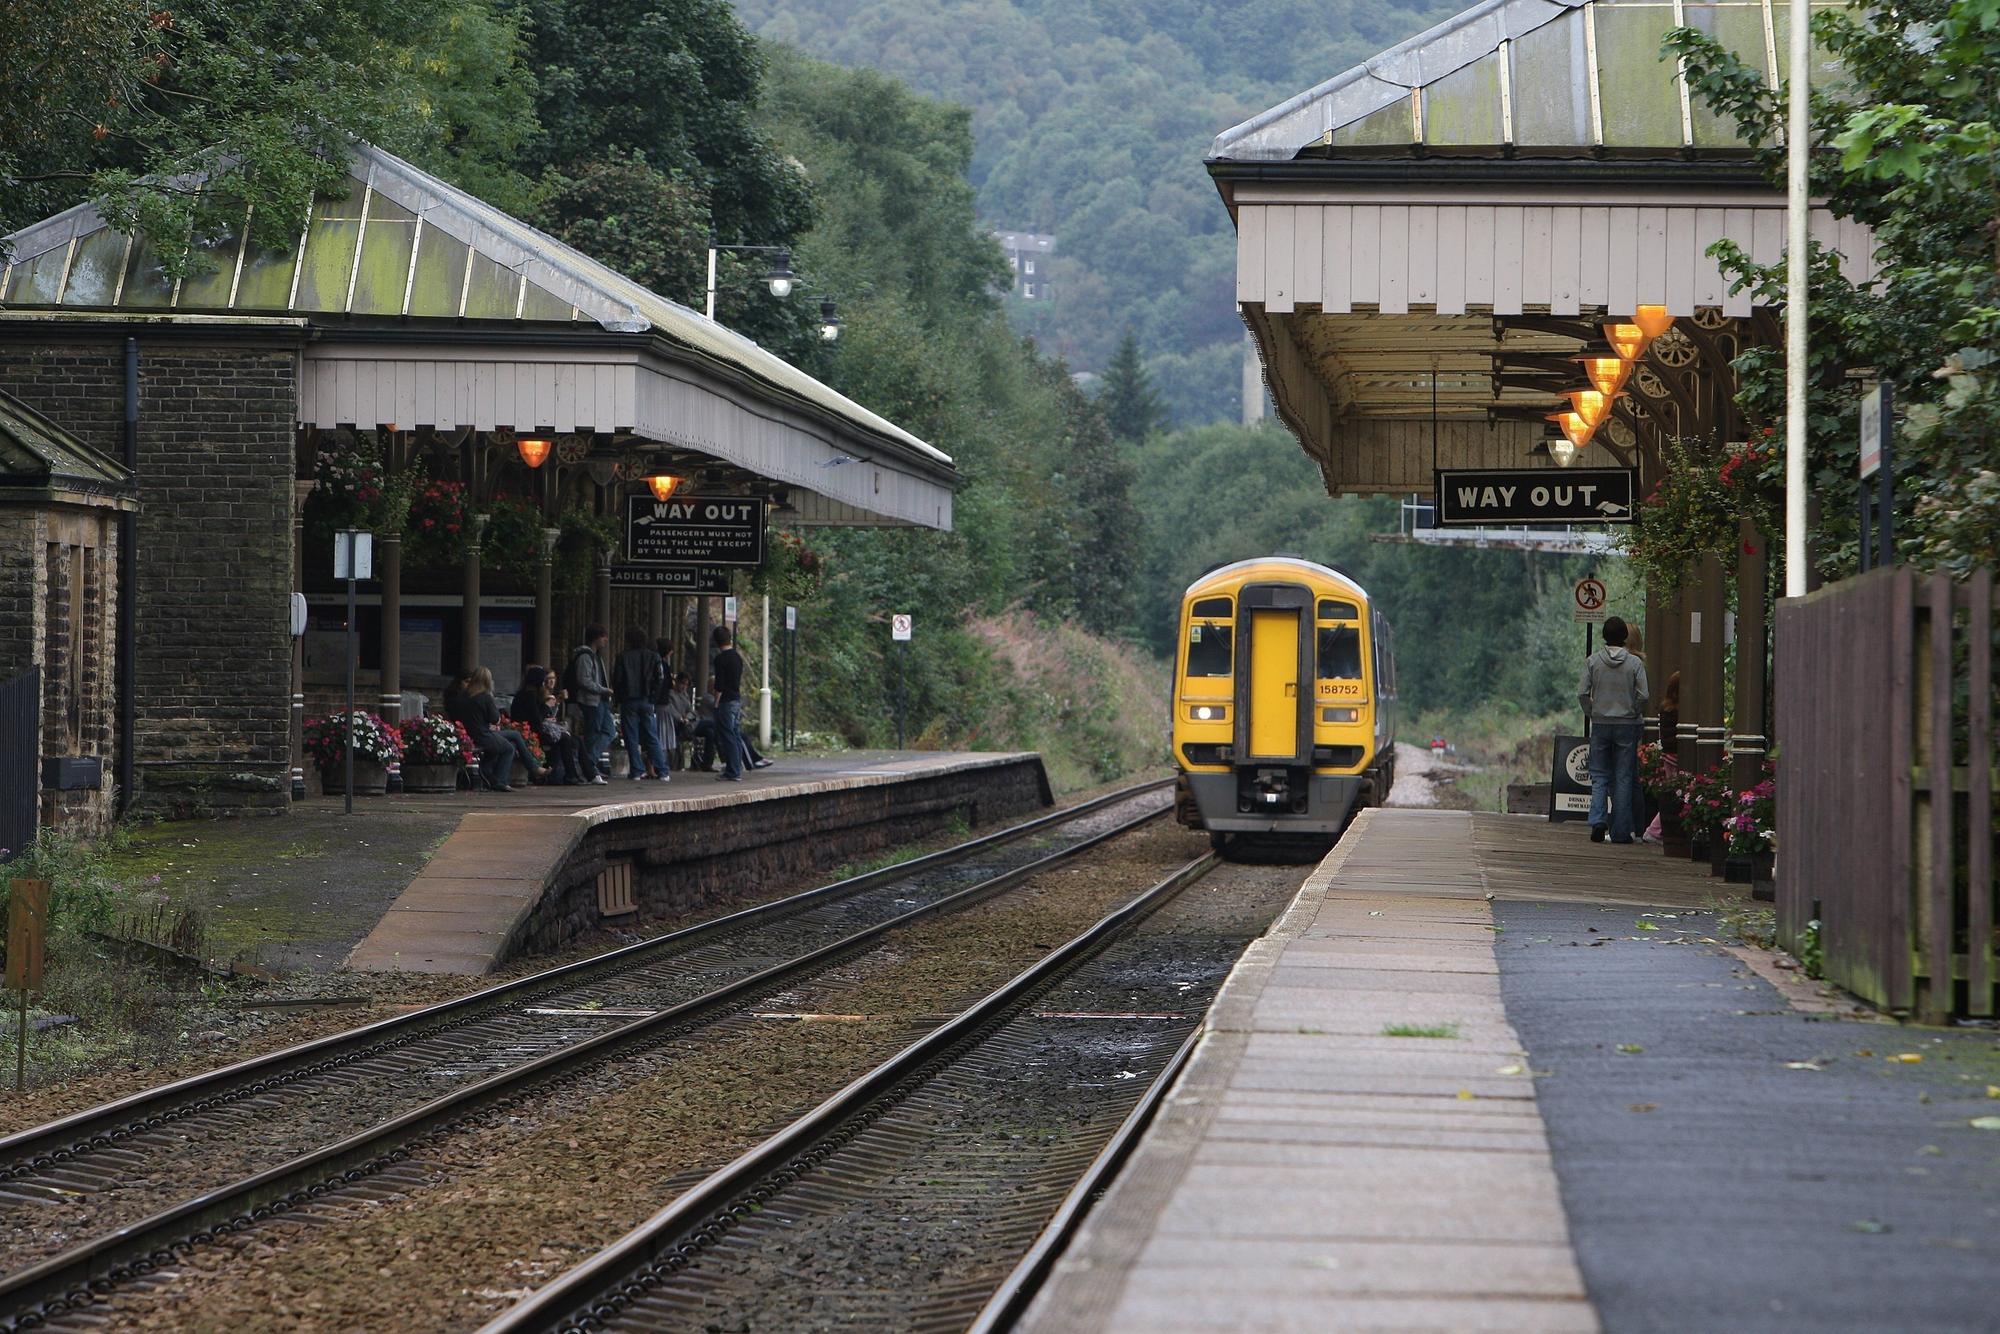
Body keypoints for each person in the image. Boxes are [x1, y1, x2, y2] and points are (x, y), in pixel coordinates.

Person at [1578, 615, 1650, 844]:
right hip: (1627, 726)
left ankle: (1598, 820)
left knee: (1599, 775)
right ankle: (1620, 831)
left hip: (1600, 724)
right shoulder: (1635, 664)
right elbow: (1644, 695)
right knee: (1623, 776)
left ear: (1604, 637)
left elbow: (1582, 692)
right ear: (1625, 638)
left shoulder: (1593, 662)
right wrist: (1633, 711)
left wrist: (1592, 711)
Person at [449, 666, 541, 791]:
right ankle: (501, 781)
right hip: (483, 735)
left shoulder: (463, 697)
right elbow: (495, 719)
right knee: (509, 748)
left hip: (470, 735)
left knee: (514, 737)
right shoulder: (485, 697)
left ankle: (490, 773)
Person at [612, 627, 669, 781]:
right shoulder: (654, 657)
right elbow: (660, 678)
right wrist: (653, 697)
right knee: (652, 735)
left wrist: (618, 698)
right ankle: (662, 771)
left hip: (629, 700)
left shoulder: (622, 657)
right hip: (647, 700)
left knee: (631, 736)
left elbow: (617, 679)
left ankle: (636, 771)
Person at [512, 665, 584, 785]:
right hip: (530, 732)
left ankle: (555, 774)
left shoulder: (524, 694)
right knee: (565, 738)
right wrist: (546, 707)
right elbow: (536, 720)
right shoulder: (529, 696)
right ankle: (570, 775)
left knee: (563, 739)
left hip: (531, 729)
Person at [562, 625, 613, 785]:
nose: (606, 640)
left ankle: (589, 763)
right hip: (590, 700)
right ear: (596, 638)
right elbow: (584, 680)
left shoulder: (595, 656)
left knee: (609, 731)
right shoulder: (585, 656)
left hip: (600, 700)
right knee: (593, 733)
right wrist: (603, 689)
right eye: (603, 636)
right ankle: (589, 767)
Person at [711, 624, 747, 781]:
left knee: (728, 736)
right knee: (736, 734)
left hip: (726, 701)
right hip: (736, 699)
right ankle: (737, 767)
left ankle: (733, 771)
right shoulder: (737, 657)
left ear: (716, 641)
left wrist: (716, 703)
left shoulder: (720, 659)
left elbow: (719, 684)